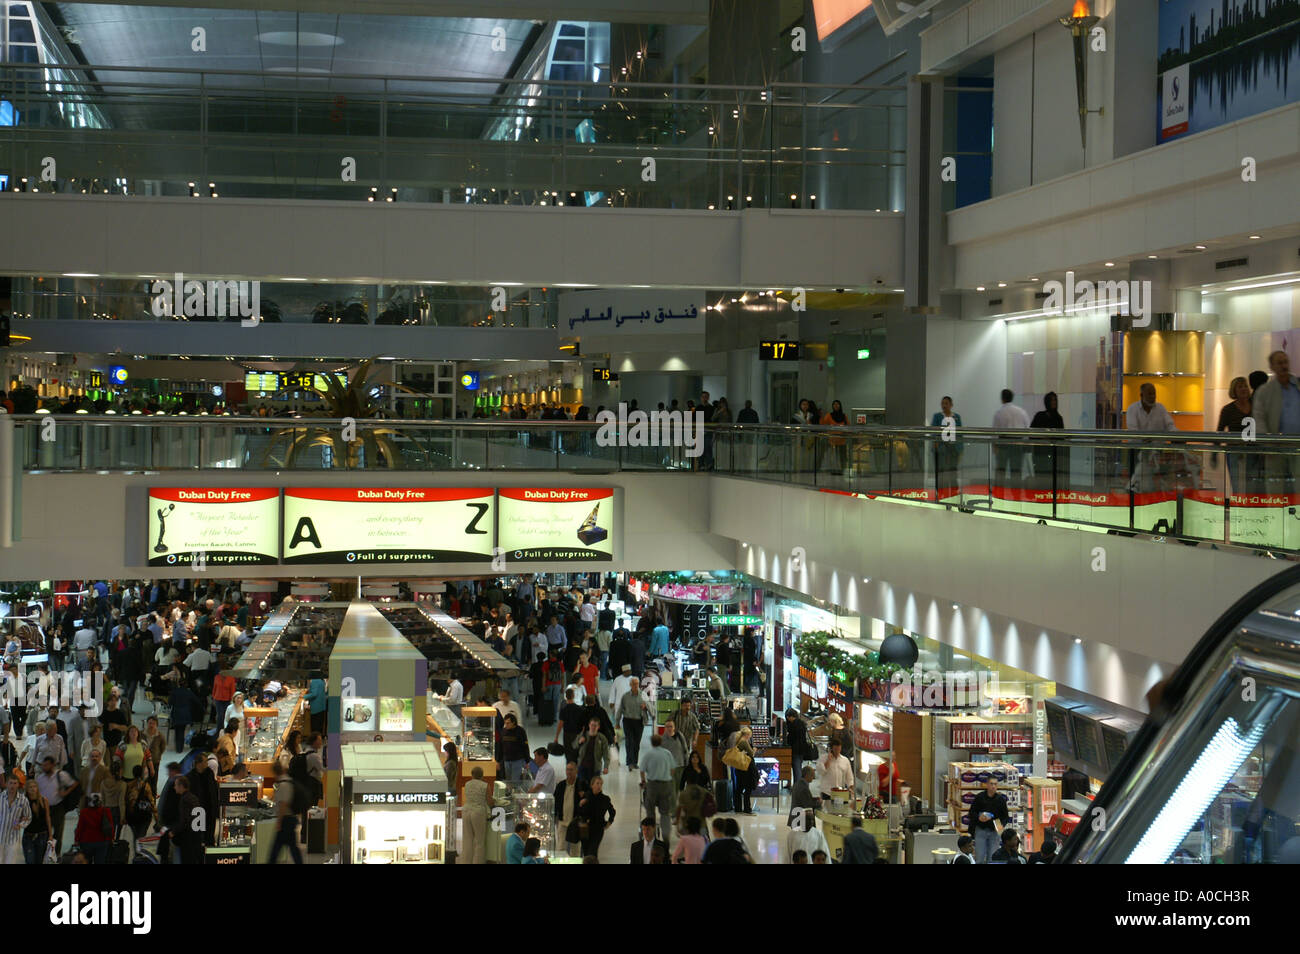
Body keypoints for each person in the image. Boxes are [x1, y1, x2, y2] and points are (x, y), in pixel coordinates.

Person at [1218, 376, 1254, 492]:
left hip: (1252, 450)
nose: (1244, 389)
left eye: (1245, 386)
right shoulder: (1228, 410)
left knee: (1251, 483)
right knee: (1236, 485)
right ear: (1234, 391)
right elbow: (1220, 430)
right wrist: (1214, 454)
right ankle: (1238, 506)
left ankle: (1250, 506)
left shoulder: (1255, 407)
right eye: (1240, 387)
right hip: (1233, 451)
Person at [639, 732, 676, 844]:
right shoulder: (667, 753)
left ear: (652, 743)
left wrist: (644, 781)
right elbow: (673, 769)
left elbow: (642, 770)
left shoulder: (648, 754)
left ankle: (652, 838)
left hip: (652, 786)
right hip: (665, 785)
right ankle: (666, 838)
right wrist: (668, 778)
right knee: (665, 813)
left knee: (650, 811)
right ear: (661, 742)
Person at [967, 776, 1010, 864]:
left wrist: (1000, 828)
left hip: (995, 830)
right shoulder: (980, 797)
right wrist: (978, 818)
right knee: (979, 858)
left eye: (995, 784)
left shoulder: (1000, 800)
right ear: (987, 785)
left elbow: (1005, 817)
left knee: (992, 858)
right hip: (981, 829)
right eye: (991, 784)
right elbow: (971, 812)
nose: (993, 786)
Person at [269, 762, 303, 864]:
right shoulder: (287, 782)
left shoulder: (284, 784)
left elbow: (283, 804)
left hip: (286, 819)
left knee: (277, 847)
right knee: (291, 846)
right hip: (289, 819)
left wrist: (279, 821)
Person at [576, 773, 615, 859]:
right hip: (585, 827)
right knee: (586, 851)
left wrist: (609, 822)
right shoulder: (586, 797)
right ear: (592, 785)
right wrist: (580, 805)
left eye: (601, 784)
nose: (599, 786)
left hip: (598, 828)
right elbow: (579, 812)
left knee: (593, 851)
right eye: (597, 783)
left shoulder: (605, 799)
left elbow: (612, 811)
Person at [1029, 391, 1066, 483]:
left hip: (1053, 454)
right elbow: (1032, 433)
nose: (1053, 402)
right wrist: (1043, 438)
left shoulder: (1058, 418)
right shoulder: (1039, 416)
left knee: (1052, 479)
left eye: (1055, 400)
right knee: (1040, 478)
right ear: (1047, 402)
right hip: (1040, 454)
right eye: (1051, 400)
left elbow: (1061, 437)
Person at [930, 396, 963, 496]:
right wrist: (935, 444)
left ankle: (953, 490)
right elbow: (933, 431)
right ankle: (940, 490)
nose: (944, 405)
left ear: (951, 405)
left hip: (953, 448)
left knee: (953, 469)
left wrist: (960, 449)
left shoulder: (956, 417)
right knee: (940, 470)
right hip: (941, 448)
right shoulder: (937, 416)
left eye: (946, 403)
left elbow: (960, 433)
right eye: (942, 403)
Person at [553, 762, 586, 858]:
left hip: (576, 822)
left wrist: (584, 797)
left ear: (576, 771)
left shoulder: (582, 784)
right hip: (562, 821)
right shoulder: (561, 785)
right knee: (560, 848)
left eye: (571, 770)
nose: (569, 772)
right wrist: (555, 816)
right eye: (567, 769)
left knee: (575, 849)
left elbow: (588, 798)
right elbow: (555, 801)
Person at [617, 677, 649, 770]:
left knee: (636, 743)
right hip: (628, 721)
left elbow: (652, 707)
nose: (636, 685)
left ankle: (635, 762)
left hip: (639, 722)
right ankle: (629, 762)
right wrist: (617, 721)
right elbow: (620, 709)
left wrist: (645, 706)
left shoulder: (643, 695)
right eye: (634, 684)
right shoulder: (625, 696)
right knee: (629, 742)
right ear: (630, 685)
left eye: (637, 683)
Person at [460, 766, 490, 865]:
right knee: (479, 841)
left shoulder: (467, 784)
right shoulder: (485, 785)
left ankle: (466, 862)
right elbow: (490, 801)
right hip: (478, 812)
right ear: (482, 775)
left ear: (472, 775)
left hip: (466, 811)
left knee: (467, 839)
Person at [75, 791, 114, 864]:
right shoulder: (106, 811)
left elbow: (80, 827)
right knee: (100, 861)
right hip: (102, 841)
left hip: (86, 842)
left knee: (86, 861)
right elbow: (110, 825)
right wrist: (111, 838)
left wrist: (77, 839)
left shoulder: (84, 812)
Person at [172, 776, 204, 864]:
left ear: (181, 786)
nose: (174, 787)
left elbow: (184, 820)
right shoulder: (193, 797)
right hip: (196, 835)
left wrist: (173, 832)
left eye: (175, 785)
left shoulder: (184, 800)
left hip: (188, 837)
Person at [123, 765, 156, 851]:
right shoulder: (146, 786)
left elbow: (125, 801)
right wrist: (156, 817)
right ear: (142, 774)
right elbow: (151, 802)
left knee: (136, 837)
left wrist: (123, 816)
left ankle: (136, 855)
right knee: (141, 837)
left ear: (133, 774)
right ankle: (139, 855)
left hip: (132, 816)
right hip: (144, 816)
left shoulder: (128, 785)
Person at [0, 772, 30, 864]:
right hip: (0, 836)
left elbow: (28, 817)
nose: (12, 786)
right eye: (10, 783)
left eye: (15, 783)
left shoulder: (23, 800)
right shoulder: (0, 797)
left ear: (18, 785)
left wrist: (21, 825)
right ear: (6, 784)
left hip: (13, 839)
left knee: (10, 862)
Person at [22, 777, 51, 865]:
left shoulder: (44, 800)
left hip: (42, 835)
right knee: (30, 860)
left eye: (34, 786)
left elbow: (48, 817)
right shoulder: (23, 801)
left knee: (39, 861)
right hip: (29, 835)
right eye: (30, 787)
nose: (33, 789)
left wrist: (50, 835)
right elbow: (16, 818)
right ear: (26, 789)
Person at [573, 716, 611, 785]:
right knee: (581, 787)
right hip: (582, 766)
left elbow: (606, 754)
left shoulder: (602, 738)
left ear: (598, 727)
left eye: (595, 725)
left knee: (594, 787)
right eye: (592, 725)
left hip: (595, 768)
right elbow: (574, 746)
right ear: (589, 725)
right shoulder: (583, 735)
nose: (593, 727)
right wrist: (579, 742)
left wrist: (606, 767)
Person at [729, 725, 757, 815]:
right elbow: (751, 754)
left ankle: (738, 808)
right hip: (746, 768)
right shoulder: (744, 742)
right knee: (748, 788)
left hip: (738, 767)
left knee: (739, 788)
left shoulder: (736, 741)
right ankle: (747, 809)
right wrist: (754, 750)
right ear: (747, 735)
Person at [817, 738, 854, 802]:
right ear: (831, 749)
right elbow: (821, 771)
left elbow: (849, 777)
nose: (837, 752)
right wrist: (828, 760)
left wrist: (850, 788)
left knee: (838, 810)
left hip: (839, 792)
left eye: (839, 749)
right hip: (826, 792)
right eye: (835, 749)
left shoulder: (845, 760)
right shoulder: (823, 758)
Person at [556, 687, 587, 762]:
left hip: (567, 735)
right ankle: (576, 769)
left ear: (566, 696)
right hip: (577, 734)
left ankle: (569, 768)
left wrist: (556, 737)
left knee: (568, 753)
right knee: (576, 752)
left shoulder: (564, 710)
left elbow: (560, 724)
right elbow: (584, 724)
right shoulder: (580, 709)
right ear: (573, 696)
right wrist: (583, 735)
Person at [499, 713, 530, 783]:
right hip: (506, 760)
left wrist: (527, 761)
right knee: (508, 780)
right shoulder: (503, 731)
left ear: (513, 723)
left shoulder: (520, 731)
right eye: (505, 723)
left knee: (515, 781)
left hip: (517, 760)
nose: (506, 725)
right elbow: (500, 746)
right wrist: (499, 761)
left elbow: (525, 746)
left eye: (508, 723)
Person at [821, 399, 850, 473]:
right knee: (833, 457)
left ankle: (842, 470)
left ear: (840, 406)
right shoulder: (829, 416)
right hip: (831, 441)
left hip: (842, 441)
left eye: (837, 404)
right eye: (834, 404)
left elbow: (848, 426)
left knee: (842, 457)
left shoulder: (844, 416)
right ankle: (833, 469)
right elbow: (823, 425)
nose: (836, 406)